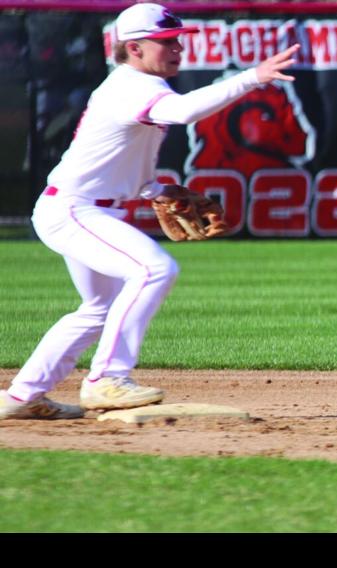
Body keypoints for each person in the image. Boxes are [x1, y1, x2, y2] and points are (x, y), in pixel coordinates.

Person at [3, 4, 299, 421]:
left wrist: (154, 189)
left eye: (177, 41)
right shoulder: (132, 86)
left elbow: (119, 160)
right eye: (165, 43)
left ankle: (21, 396)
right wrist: (252, 77)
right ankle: (106, 378)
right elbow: (184, 113)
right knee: (154, 269)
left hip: (82, 207)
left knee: (97, 309)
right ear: (134, 48)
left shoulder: (137, 86)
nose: (176, 49)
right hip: (75, 210)